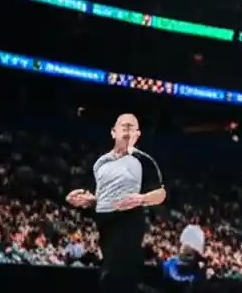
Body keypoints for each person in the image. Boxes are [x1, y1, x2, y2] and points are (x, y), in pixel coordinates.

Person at [66, 113, 167, 293]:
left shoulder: (145, 162)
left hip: (130, 239)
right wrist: (80, 200)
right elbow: (94, 199)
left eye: (132, 128)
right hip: (110, 244)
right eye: (123, 127)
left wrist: (142, 198)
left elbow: (161, 193)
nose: (127, 132)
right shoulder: (99, 163)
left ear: (137, 135)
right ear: (113, 132)